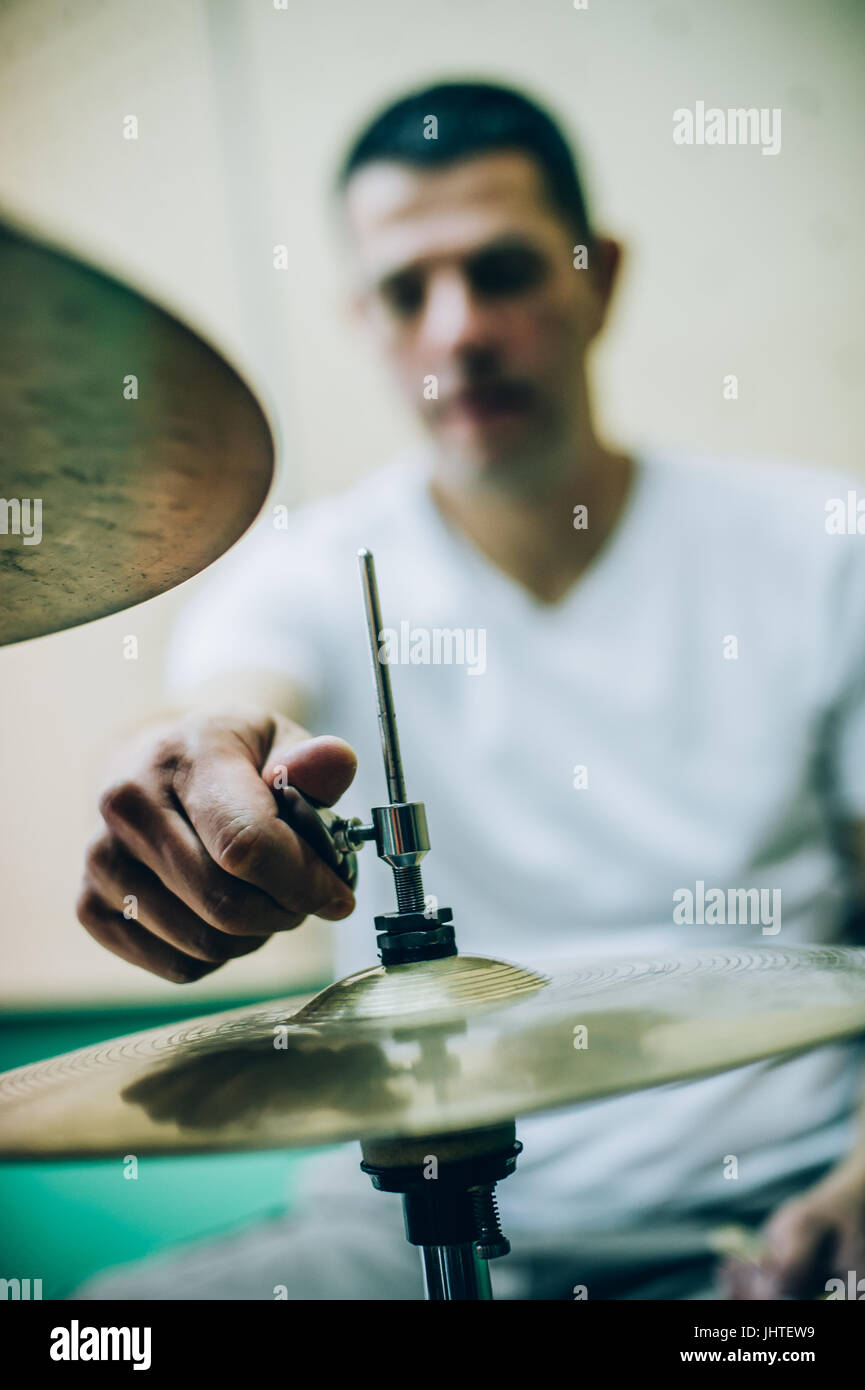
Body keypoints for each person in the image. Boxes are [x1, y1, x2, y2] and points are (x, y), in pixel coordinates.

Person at [75, 81, 865, 1301]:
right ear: (364, 315)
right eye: (407, 289)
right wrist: (191, 787)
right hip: (394, 1227)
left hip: (772, 1215)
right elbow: (219, 710)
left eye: (503, 271)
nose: (458, 329)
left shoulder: (823, 549)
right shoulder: (298, 572)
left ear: (599, 277)